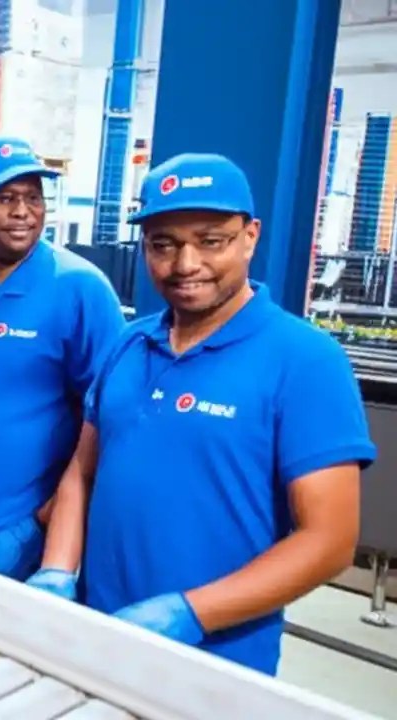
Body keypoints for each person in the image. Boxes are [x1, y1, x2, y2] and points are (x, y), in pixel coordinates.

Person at [28, 153, 373, 676]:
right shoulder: (130, 343)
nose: (185, 264)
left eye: (211, 241)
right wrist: (57, 570)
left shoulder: (304, 360)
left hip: (218, 661)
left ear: (250, 236)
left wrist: (192, 612)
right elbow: (82, 470)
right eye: (163, 244)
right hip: (101, 637)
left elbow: (328, 542)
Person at [0, 134, 125, 578]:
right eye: (5, 198)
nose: (23, 212)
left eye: (34, 197)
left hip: (21, 534)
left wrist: (41, 525)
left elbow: (110, 424)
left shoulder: (81, 290)